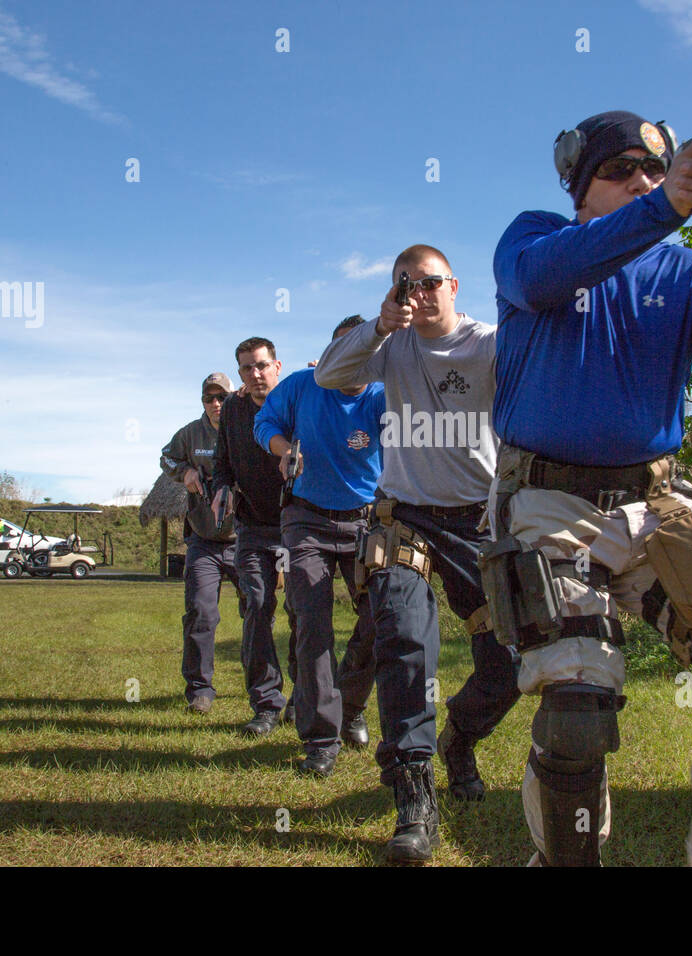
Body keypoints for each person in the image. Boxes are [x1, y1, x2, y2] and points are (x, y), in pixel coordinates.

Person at [490, 110, 692, 866]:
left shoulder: (688, 269)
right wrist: (665, 206)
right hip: (548, 503)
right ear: (580, 185)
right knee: (576, 705)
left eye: (655, 169)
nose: (642, 179)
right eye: (620, 168)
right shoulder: (533, 237)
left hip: (657, 502)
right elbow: (541, 279)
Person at [315, 246, 522, 863]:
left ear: (453, 285)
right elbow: (330, 373)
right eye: (407, 285)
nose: (420, 293)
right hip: (404, 517)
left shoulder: (489, 343)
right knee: (405, 640)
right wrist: (378, 323)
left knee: (508, 664)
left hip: (478, 523)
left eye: (430, 282)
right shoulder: (391, 345)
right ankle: (413, 795)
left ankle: (460, 738)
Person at [253, 315, 386, 776]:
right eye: (339, 354)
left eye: (358, 354)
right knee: (311, 621)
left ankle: (351, 705)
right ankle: (321, 738)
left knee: (378, 619)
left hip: (367, 521)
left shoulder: (386, 394)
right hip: (306, 518)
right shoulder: (301, 385)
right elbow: (264, 419)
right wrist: (282, 447)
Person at [210, 338, 298, 736]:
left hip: (299, 525)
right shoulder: (232, 409)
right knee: (257, 607)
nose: (255, 374)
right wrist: (222, 488)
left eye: (262, 365)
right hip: (252, 527)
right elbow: (222, 462)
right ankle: (265, 704)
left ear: (277, 366)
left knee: (304, 611)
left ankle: (306, 697)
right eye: (246, 368)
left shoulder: (298, 399)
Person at [160, 372, 244, 714]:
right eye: (209, 398)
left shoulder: (246, 425)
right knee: (200, 612)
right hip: (203, 540)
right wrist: (185, 473)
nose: (215, 404)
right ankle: (199, 689)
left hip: (245, 540)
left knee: (259, 612)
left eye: (221, 397)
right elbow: (165, 458)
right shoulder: (189, 434)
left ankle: (263, 688)